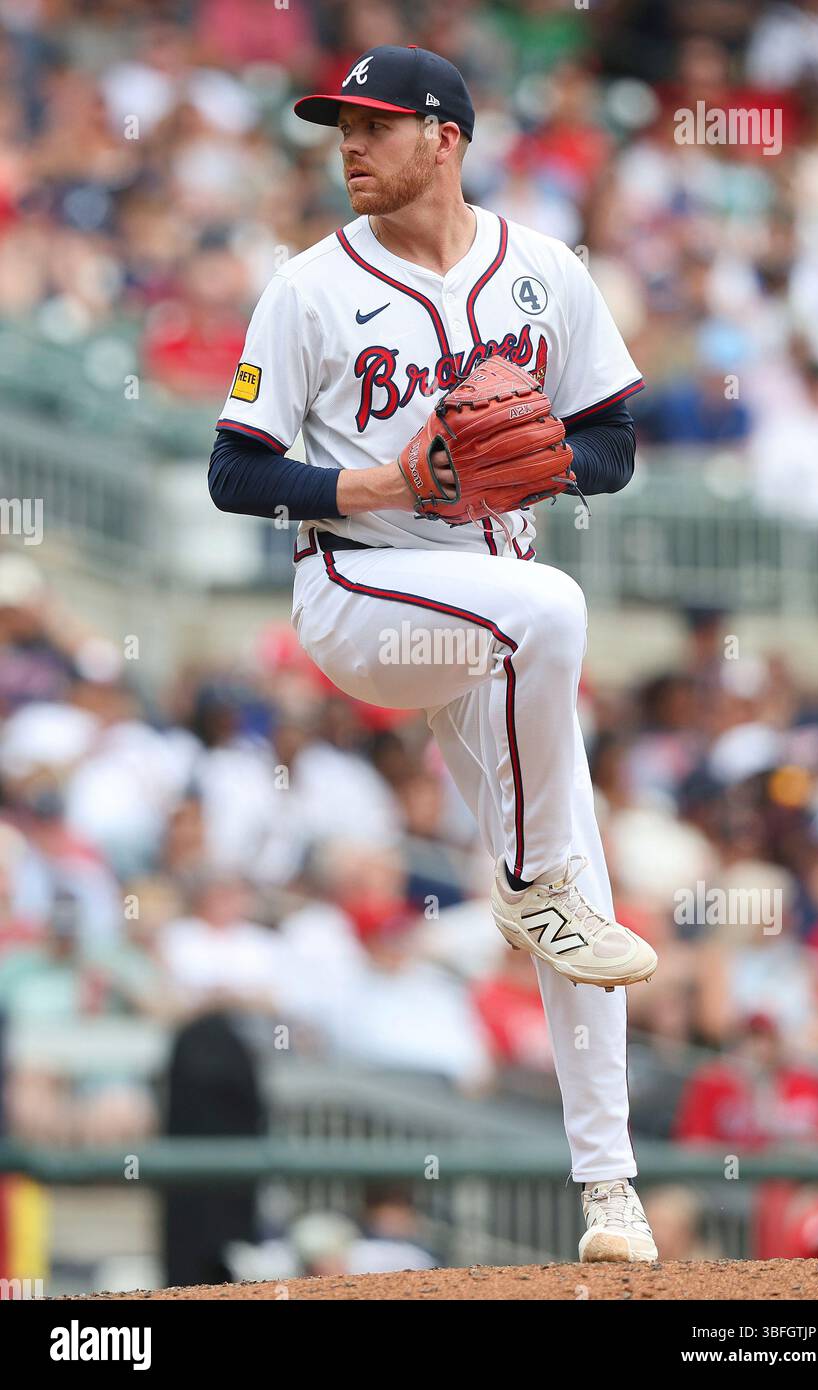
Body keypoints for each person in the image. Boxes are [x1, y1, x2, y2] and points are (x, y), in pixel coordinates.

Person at [209, 45, 658, 1263]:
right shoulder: (306, 286)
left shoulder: (543, 271)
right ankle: (523, 888)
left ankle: (610, 1196)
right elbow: (233, 470)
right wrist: (384, 479)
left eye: (370, 125)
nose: (345, 145)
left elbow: (612, 440)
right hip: (359, 586)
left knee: (586, 874)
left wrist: (544, 461)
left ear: (443, 136)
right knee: (552, 614)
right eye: (334, 127)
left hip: (486, 605)